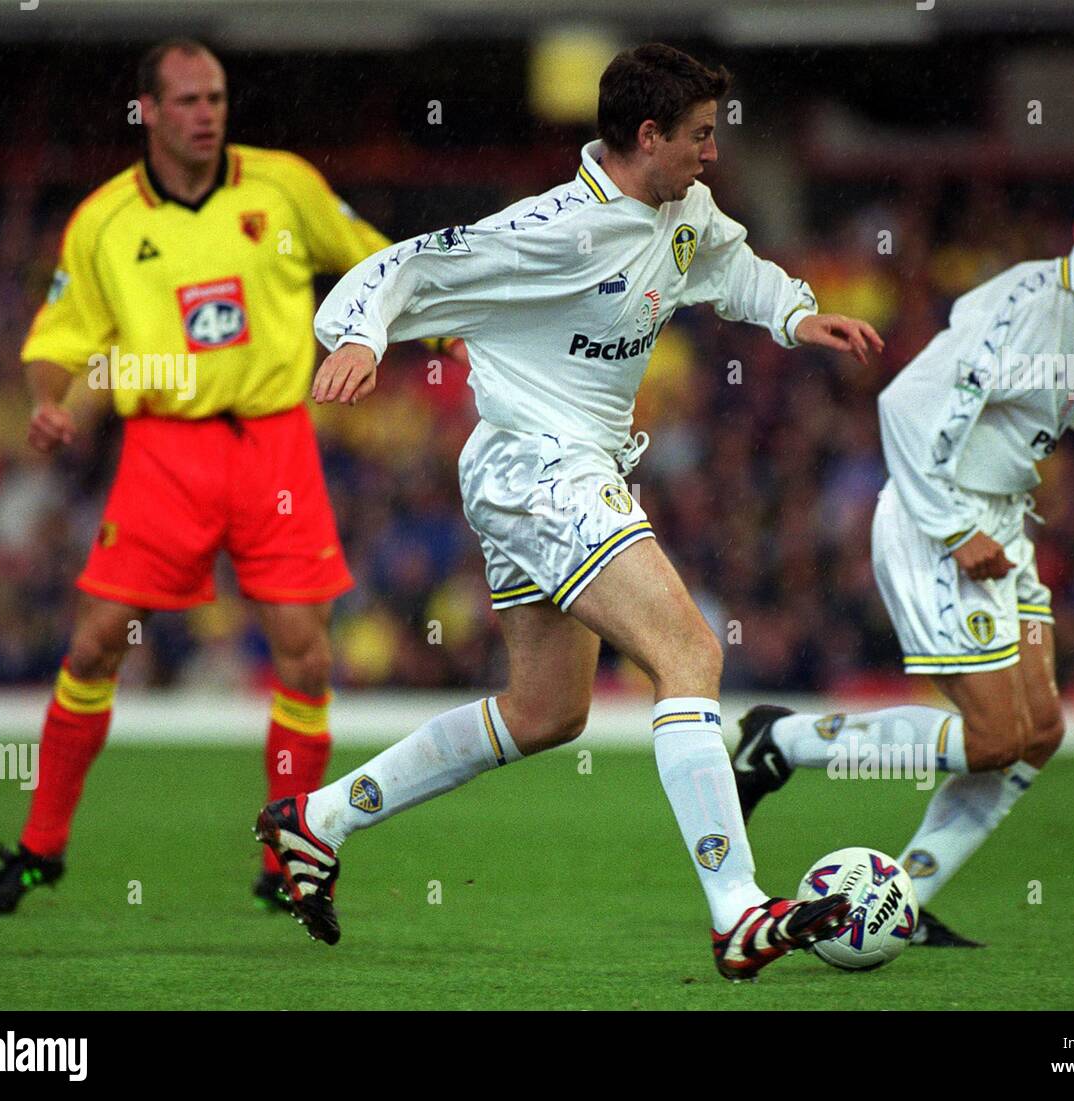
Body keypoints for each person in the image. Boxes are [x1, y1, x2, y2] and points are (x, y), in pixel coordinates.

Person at [253, 43, 884, 982]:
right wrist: (356, 336)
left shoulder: (682, 208)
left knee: (547, 711)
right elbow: (408, 266)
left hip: (559, 469)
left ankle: (318, 821)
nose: (715, 152)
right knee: (691, 654)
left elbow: (729, 262)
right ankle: (738, 909)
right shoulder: (552, 229)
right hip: (537, 466)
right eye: (701, 136)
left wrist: (798, 316)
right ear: (647, 135)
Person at [734, 161, 1074, 946]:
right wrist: (951, 525)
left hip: (1002, 522)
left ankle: (905, 892)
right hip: (938, 518)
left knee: (1040, 730)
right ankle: (784, 740)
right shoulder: (1028, 304)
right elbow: (907, 402)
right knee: (996, 736)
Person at [0, 38, 404, 915]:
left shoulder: (281, 185)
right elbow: (59, 339)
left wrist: (437, 324)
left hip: (273, 440)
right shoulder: (103, 221)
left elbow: (374, 259)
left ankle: (288, 857)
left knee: (307, 656)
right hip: (163, 451)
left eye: (217, 97)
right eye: (189, 100)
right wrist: (49, 401)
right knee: (95, 642)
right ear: (148, 112)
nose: (208, 113)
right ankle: (40, 849)